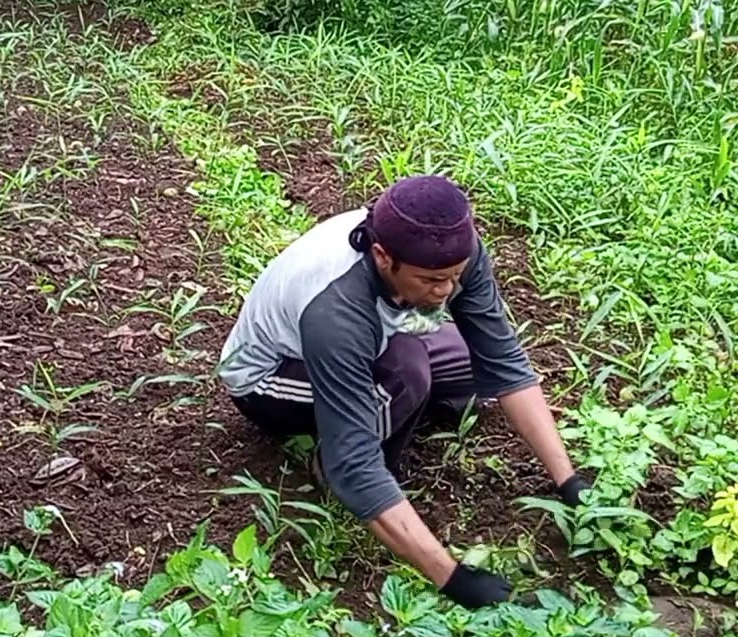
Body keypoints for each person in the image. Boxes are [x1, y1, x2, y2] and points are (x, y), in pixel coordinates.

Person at [218, 174, 593, 609]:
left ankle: (398, 407)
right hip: (271, 378)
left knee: (468, 365)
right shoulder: (336, 310)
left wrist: (569, 481)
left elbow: (504, 360)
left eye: (454, 277)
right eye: (432, 280)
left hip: (370, 339)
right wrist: (453, 578)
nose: (447, 290)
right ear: (382, 256)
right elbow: (355, 466)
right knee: (406, 377)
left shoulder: (454, 250)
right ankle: (331, 463)